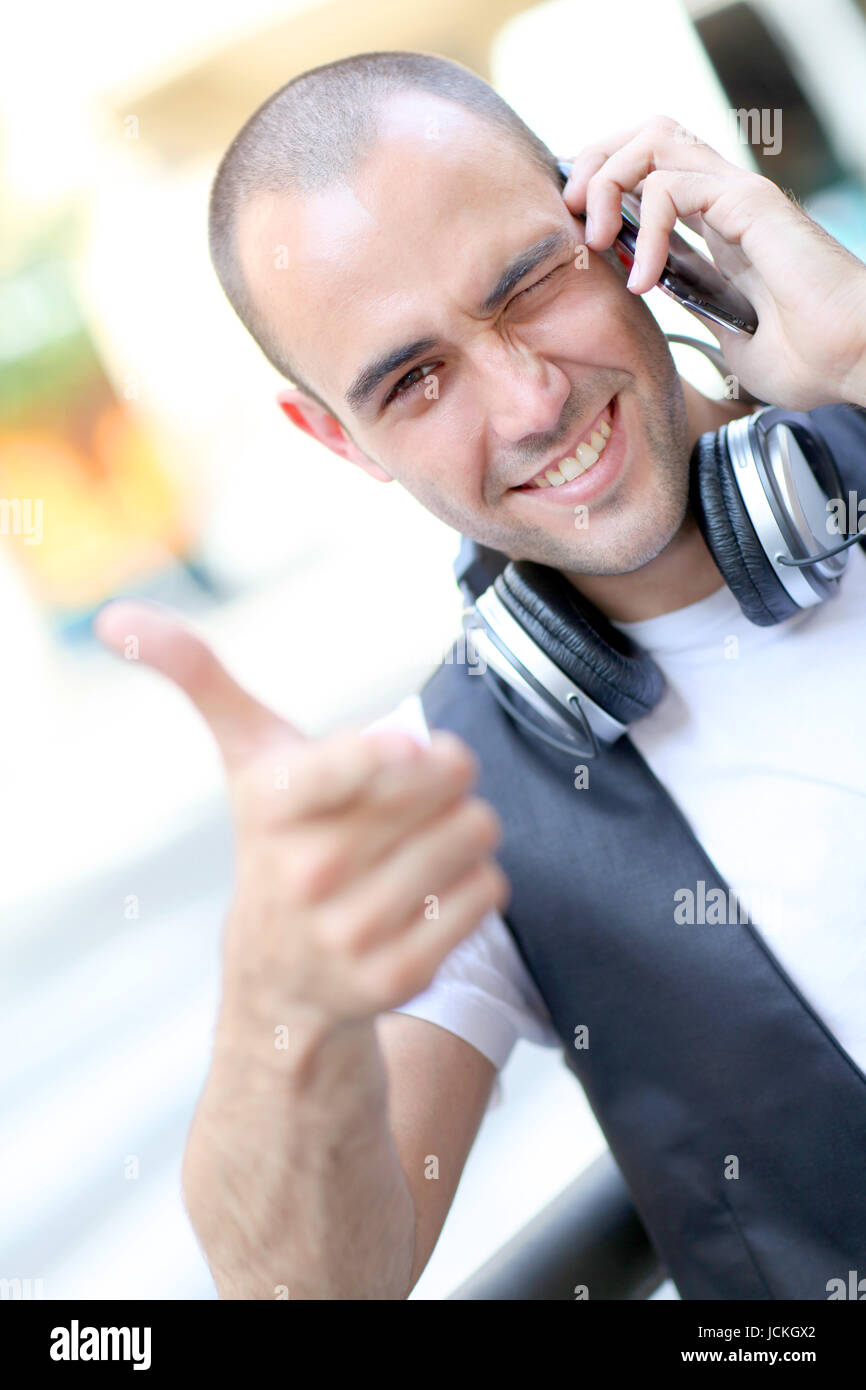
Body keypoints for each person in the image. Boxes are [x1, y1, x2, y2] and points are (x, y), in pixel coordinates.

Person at [96, 51, 866, 1299]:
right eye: (415, 380)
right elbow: (306, 1291)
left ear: (611, 219)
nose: (527, 402)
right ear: (339, 442)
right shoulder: (448, 806)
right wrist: (279, 1003)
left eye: (527, 284)